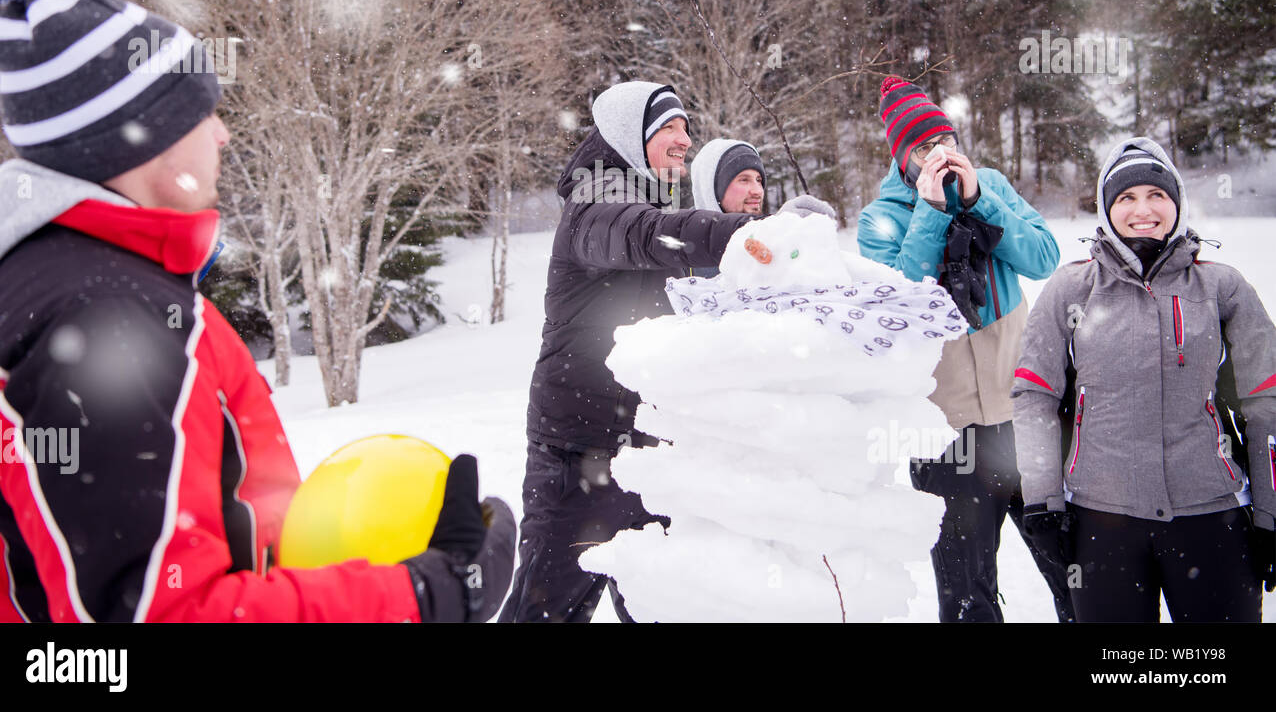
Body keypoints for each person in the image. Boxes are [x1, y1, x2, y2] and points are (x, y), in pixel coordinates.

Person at [0, 0, 514, 622]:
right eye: (204, 113)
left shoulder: (38, 285)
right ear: (146, 142)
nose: (223, 134)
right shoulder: (113, 324)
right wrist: (426, 597)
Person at [501, 82, 829, 622]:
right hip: (577, 459)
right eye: (669, 128)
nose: (685, 138)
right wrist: (743, 234)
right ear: (632, 136)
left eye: (685, 126)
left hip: (649, 460)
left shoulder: (646, 205)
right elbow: (649, 236)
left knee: (666, 608)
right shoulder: (594, 205)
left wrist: (782, 238)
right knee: (543, 613)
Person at [1012, 137, 1276, 622]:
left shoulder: (1222, 286)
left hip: (1211, 514)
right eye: (1126, 198)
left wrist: (1271, 510)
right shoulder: (1072, 287)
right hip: (1101, 519)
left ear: (1177, 202)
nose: (1144, 210)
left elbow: (1266, 401)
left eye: (1157, 195)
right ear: (1105, 208)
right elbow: (1034, 397)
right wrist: (1042, 501)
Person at [857, 76, 1075, 622]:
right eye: (924, 146)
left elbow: (1044, 258)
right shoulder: (877, 219)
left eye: (945, 141)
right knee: (964, 591)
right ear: (902, 156)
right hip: (944, 433)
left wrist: (982, 202)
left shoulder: (991, 184)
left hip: (1026, 416)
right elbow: (899, 309)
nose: (939, 154)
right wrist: (930, 213)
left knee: (1075, 569)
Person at [686, 137, 765, 276]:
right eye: (744, 180)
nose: (758, 191)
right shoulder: (680, 244)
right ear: (712, 189)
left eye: (759, 180)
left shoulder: (769, 238)